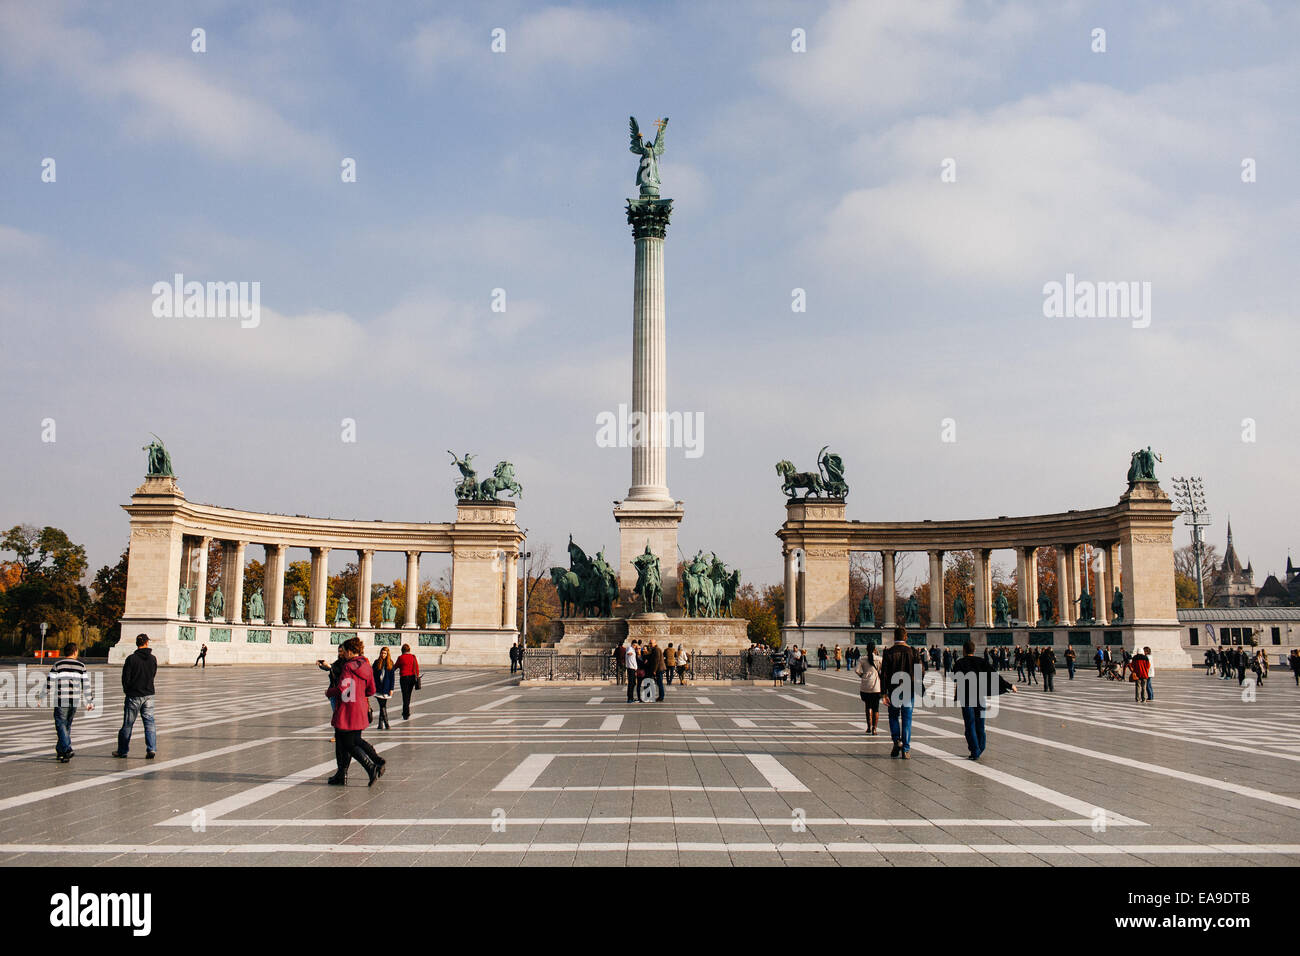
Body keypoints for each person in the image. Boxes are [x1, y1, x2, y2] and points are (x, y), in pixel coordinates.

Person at [326, 637, 381, 786]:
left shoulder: (348, 667)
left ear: (350, 651)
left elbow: (343, 688)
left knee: (346, 743)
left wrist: (329, 692)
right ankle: (343, 773)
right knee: (351, 740)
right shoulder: (367, 665)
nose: (343, 654)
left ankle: (371, 767)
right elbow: (372, 690)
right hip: (360, 707)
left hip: (347, 708)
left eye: (344, 651)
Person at [952, 639, 1017, 760]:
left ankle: (975, 750)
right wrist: (1009, 685)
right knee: (980, 723)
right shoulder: (981, 661)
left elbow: (955, 679)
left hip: (965, 696)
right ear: (974, 650)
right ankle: (980, 747)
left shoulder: (959, 663)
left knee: (969, 724)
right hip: (979, 696)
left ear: (964, 650)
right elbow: (995, 676)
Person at [45, 642, 94, 763]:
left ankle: (67, 748)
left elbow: (49, 681)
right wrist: (89, 701)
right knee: (67, 725)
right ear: (75, 651)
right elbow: (86, 685)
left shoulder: (58, 664)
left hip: (61, 699)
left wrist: (41, 696)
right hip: (74, 700)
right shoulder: (81, 666)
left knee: (60, 724)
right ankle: (61, 751)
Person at [112, 633, 158, 759]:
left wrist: (128, 690)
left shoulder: (131, 659)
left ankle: (122, 750)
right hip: (148, 694)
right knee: (149, 723)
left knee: (128, 724)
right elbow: (153, 674)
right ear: (147, 643)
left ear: (137, 643)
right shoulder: (153, 658)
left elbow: (125, 678)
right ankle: (151, 748)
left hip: (134, 695)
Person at [880, 627, 920, 759]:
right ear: (906, 637)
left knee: (893, 717)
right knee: (907, 719)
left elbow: (884, 674)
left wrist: (883, 693)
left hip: (893, 690)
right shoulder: (913, 652)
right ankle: (906, 749)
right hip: (908, 689)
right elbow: (920, 672)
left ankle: (897, 741)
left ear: (894, 637)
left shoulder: (888, 653)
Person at [855, 643, 882, 736]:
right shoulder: (879, 659)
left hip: (865, 685)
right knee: (876, 708)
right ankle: (875, 729)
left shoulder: (862, 659)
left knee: (868, 706)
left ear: (866, 649)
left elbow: (857, 670)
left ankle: (868, 727)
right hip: (876, 686)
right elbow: (883, 670)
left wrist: (862, 675)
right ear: (875, 649)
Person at [372, 646, 396, 730]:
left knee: (383, 705)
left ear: (387, 654)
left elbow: (392, 677)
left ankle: (380, 724)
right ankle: (386, 723)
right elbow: (372, 675)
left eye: (385, 653)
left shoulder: (390, 663)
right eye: (382, 653)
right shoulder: (376, 662)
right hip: (378, 687)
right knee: (382, 705)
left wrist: (392, 689)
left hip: (386, 687)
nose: (383, 655)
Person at [395, 643, 420, 719]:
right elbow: (416, 668)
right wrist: (417, 676)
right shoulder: (413, 657)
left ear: (402, 650)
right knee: (408, 695)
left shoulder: (401, 657)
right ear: (409, 650)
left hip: (404, 678)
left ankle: (406, 713)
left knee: (405, 695)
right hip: (412, 678)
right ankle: (406, 711)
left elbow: (395, 667)